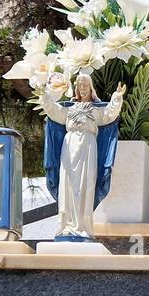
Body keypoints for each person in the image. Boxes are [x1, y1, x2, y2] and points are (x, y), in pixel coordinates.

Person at [42, 74, 125, 241]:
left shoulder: (95, 109)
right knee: (68, 185)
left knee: (85, 185)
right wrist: (43, 94)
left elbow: (108, 114)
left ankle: (83, 226)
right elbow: (53, 111)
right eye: (80, 85)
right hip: (69, 145)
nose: (82, 88)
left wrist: (117, 97)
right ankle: (66, 225)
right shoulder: (69, 108)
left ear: (91, 87)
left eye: (85, 85)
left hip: (88, 146)